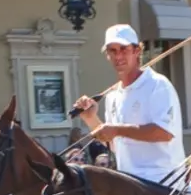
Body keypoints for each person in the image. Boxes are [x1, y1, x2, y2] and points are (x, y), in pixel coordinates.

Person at [74, 22, 185, 182]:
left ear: (137, 50)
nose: (118, 56)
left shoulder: (158, 84)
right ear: (107, 55)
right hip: (129, 185)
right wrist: (91, 118)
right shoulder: (113, 96)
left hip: (163, 184)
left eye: (124, 49)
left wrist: (117, 129)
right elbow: (114, 144)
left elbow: (164, 132)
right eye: (113, 50)